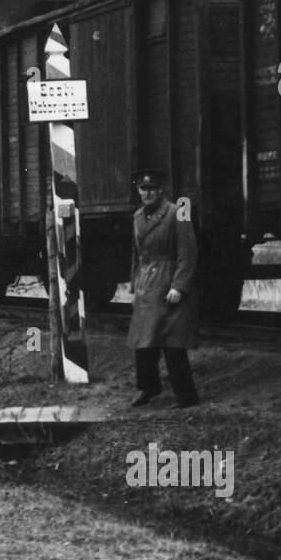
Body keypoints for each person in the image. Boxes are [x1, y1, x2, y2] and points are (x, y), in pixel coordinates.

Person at [127, 169, 200, 408]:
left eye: (152, 189)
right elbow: (137, 255)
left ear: (160, 190)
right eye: (143, 189)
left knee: (172, 342)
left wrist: (179, 286)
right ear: (138, 191)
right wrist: (134, 286)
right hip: (146, 284)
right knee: (143, 341)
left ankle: (186, 396)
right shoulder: (137, 216)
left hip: (168, 283)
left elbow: (187, 254)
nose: (147, 193)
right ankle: (148, 388)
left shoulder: (177, 214)